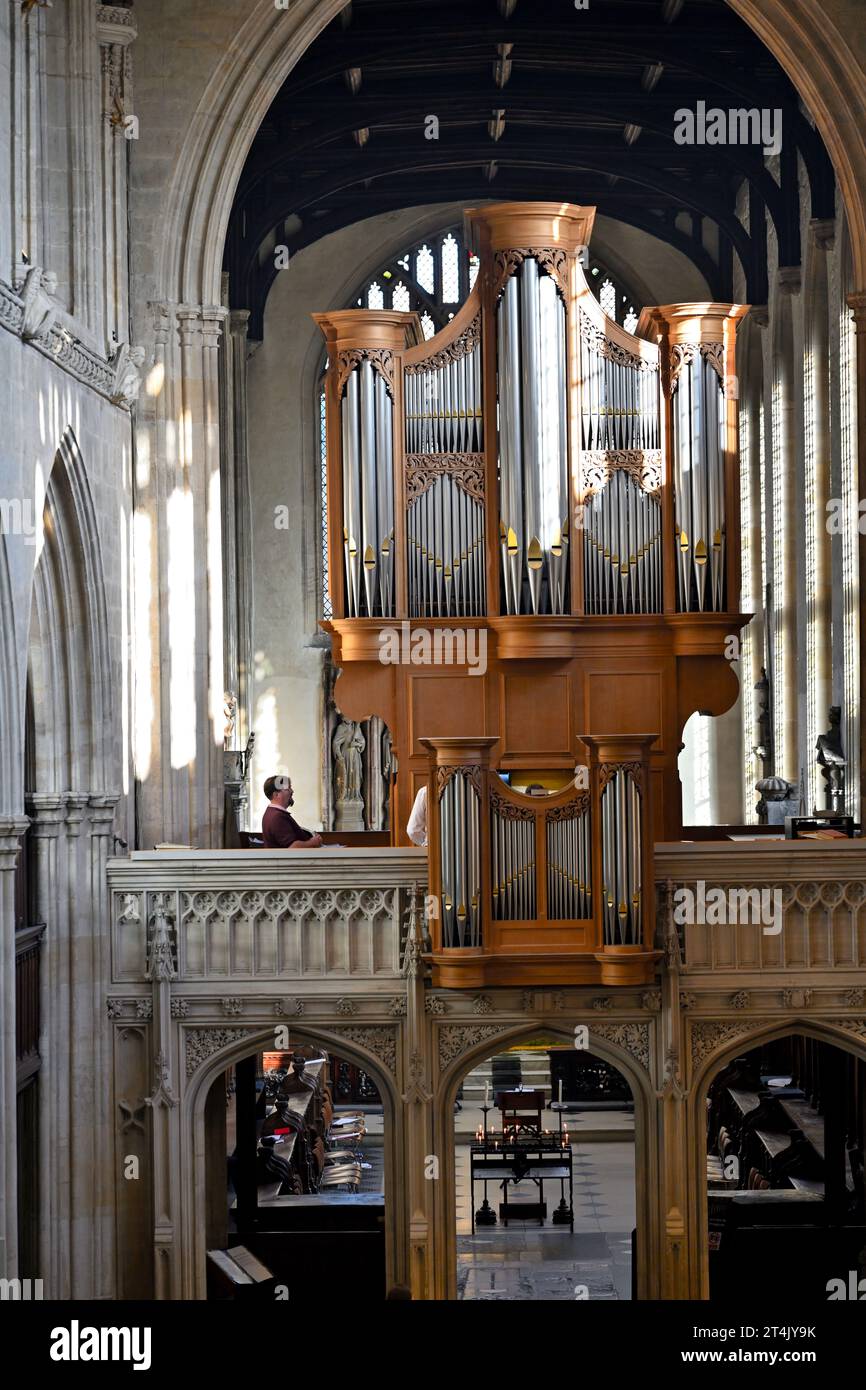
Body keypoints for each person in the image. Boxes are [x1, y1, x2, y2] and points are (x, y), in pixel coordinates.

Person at [261, 775, 323, 849]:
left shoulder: (274, 813)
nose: (292, 791)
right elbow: (293, 848)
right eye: (288, 789)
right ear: (276, 795)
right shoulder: (277, 817)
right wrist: (313, 842)